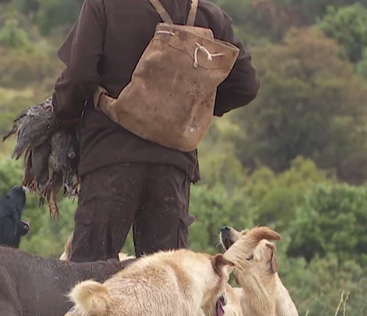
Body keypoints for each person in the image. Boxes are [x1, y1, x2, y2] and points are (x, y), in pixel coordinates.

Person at [52, 0, 260, 262]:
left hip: (110, 158)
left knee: (89, 277)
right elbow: (246, 86)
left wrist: (63, 117)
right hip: (172, 167)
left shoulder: (105, 5)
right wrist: (190, 109)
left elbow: (80, 76)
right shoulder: (209, 15)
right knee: (167, 286)